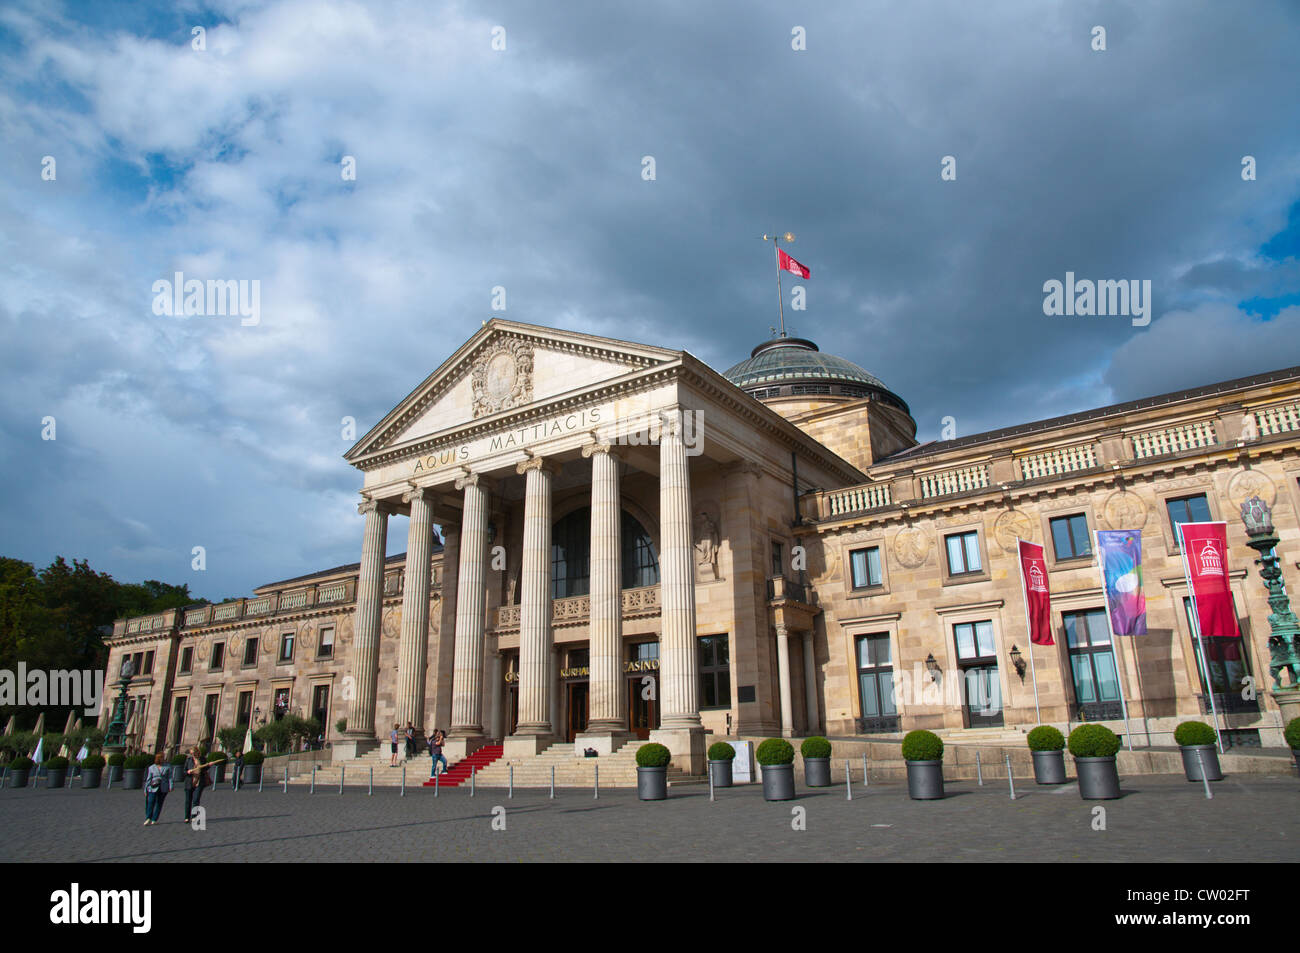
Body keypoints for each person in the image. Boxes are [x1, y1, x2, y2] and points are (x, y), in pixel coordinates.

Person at [143, 752, 170, 825]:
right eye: (162, 758)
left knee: (159, 803)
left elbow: (169, 777)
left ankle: (154, 819)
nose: (163, 759)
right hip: (153, 787)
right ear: (158, 759)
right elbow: (148, 779)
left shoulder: (167, 766)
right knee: (151, 802)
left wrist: (171, 786)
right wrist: (145, 789)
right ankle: (148, 817)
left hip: (163, 787)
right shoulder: (151, 767)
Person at [182, 745, 206, 823]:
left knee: (196, 799)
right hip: (189, 782)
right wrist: (188, 772)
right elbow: (184, 771)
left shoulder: (202, 759)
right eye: (191, 753)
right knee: (188, 800)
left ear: (197, 752)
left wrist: (209, 765)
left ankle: (194, 816)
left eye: (193, 753)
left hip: (199, 782)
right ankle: (186, 817)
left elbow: (205, 769)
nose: (192, 755)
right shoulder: (188, 760)